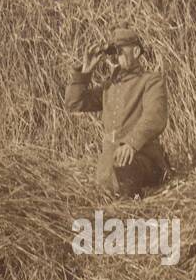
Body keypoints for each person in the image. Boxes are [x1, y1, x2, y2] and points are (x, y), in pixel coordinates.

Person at [64, 27, 169, 197]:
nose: (116, 56)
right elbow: (74, 104)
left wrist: (131, 143)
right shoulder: (109, 87)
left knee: (125, 171)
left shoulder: (150, 81)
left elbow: (155, 117)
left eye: (120, 51)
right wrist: (86, 71)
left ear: (135, 51)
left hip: (142, 159)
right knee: (108, 186)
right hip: (109, 166)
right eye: (113, 52)